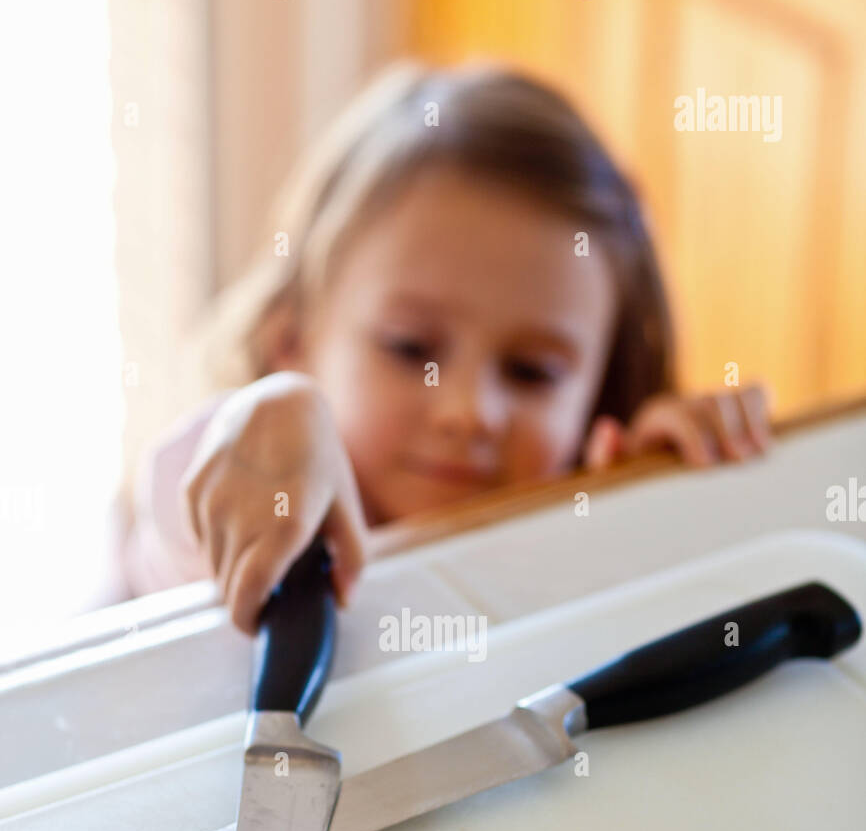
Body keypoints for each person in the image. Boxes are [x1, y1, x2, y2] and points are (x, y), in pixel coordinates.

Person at [119, 61, 770, 632]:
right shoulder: (250, 516)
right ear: (291, 339)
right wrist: (266, 414)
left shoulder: (582, 520)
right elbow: (192, 495)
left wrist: (672, 494)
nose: (469, 411)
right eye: (411, 350)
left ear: (601, 389)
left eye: (531, 371)